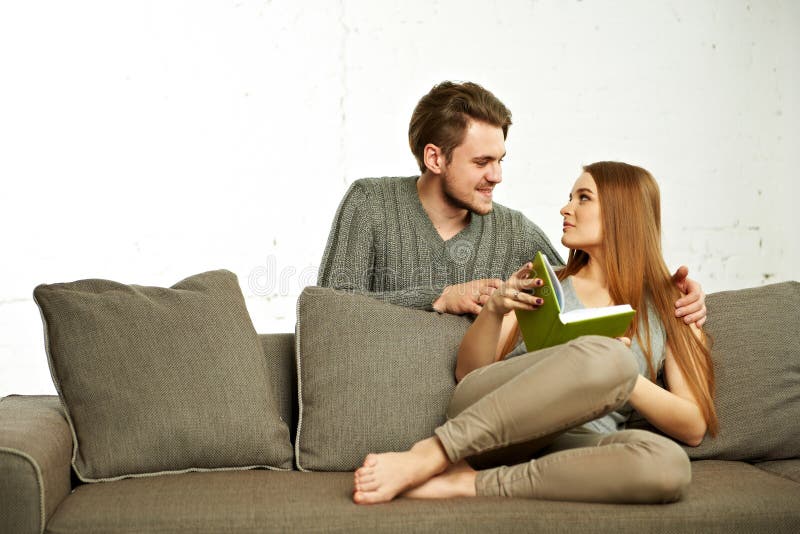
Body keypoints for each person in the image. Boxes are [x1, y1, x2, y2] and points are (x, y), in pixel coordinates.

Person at [352, 161, 718, 505]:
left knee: (668, 465)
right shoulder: (545, 282)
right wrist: (495, 309)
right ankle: (431, 454)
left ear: (624, 213)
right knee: (609, 357)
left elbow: (693, 427)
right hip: (490, 423)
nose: (565, 208)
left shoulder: (674, 305)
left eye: (583, 198)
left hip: (567, 445)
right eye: (570, 197)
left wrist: (621, 378)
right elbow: (468, 375)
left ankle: (467, 484)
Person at [317, 81, 707, 325]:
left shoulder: (515, 232)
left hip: (482, 405)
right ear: (435, 158)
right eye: (482, 162)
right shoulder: (370, 203)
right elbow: (326, 312)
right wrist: (439, 298)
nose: (497, 176)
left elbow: (591, 280)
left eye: (500, 160)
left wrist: (674, 294)